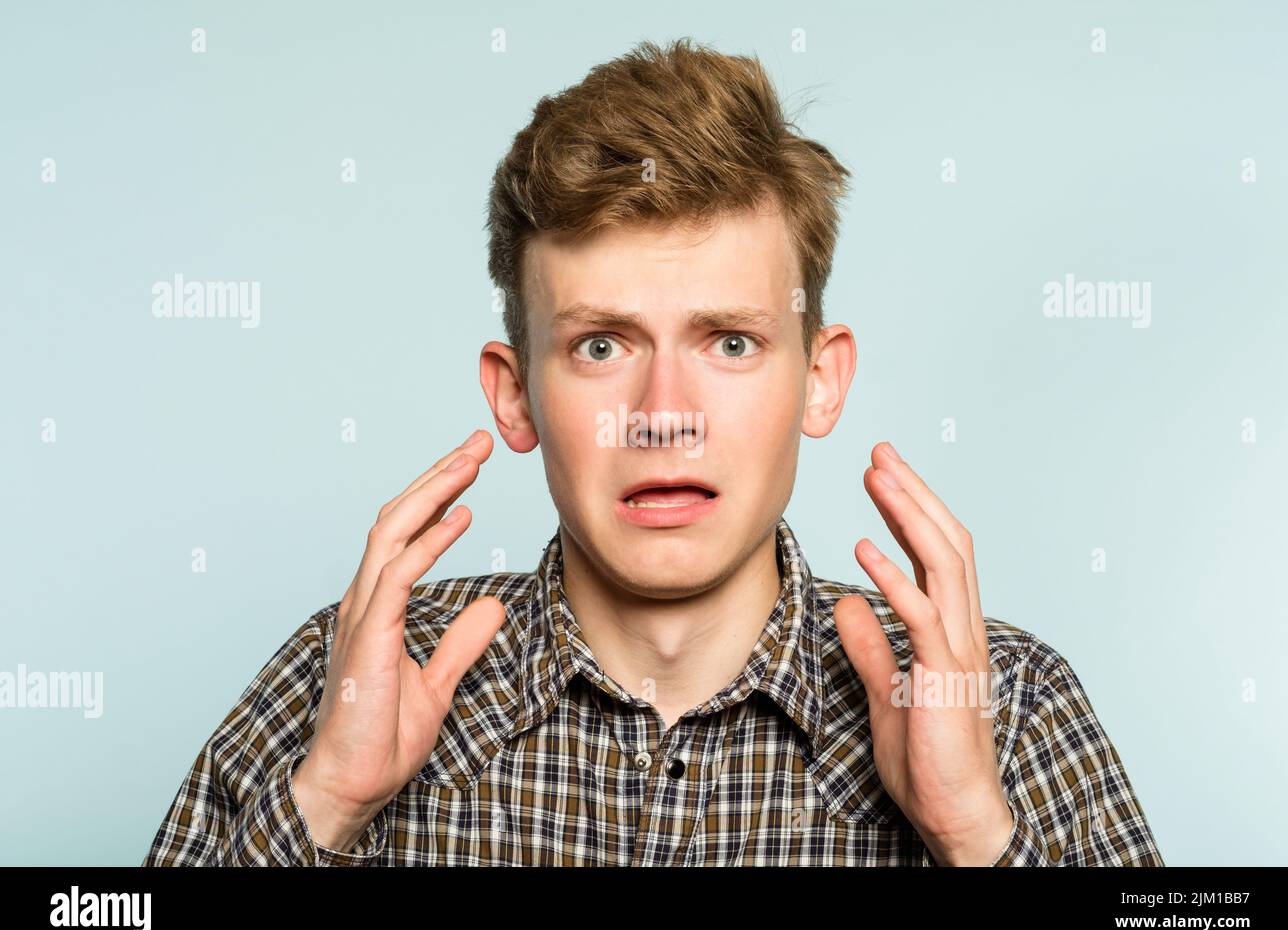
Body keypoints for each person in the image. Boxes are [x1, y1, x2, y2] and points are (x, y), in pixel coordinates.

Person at [143, 38, 1163, 867]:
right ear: (515, 393)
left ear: (819, 378)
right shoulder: (348, 672)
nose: (662, 416)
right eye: (600, 345)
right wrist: (326, 800)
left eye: (729, 342)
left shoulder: (1012, 703)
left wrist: (974, 836)